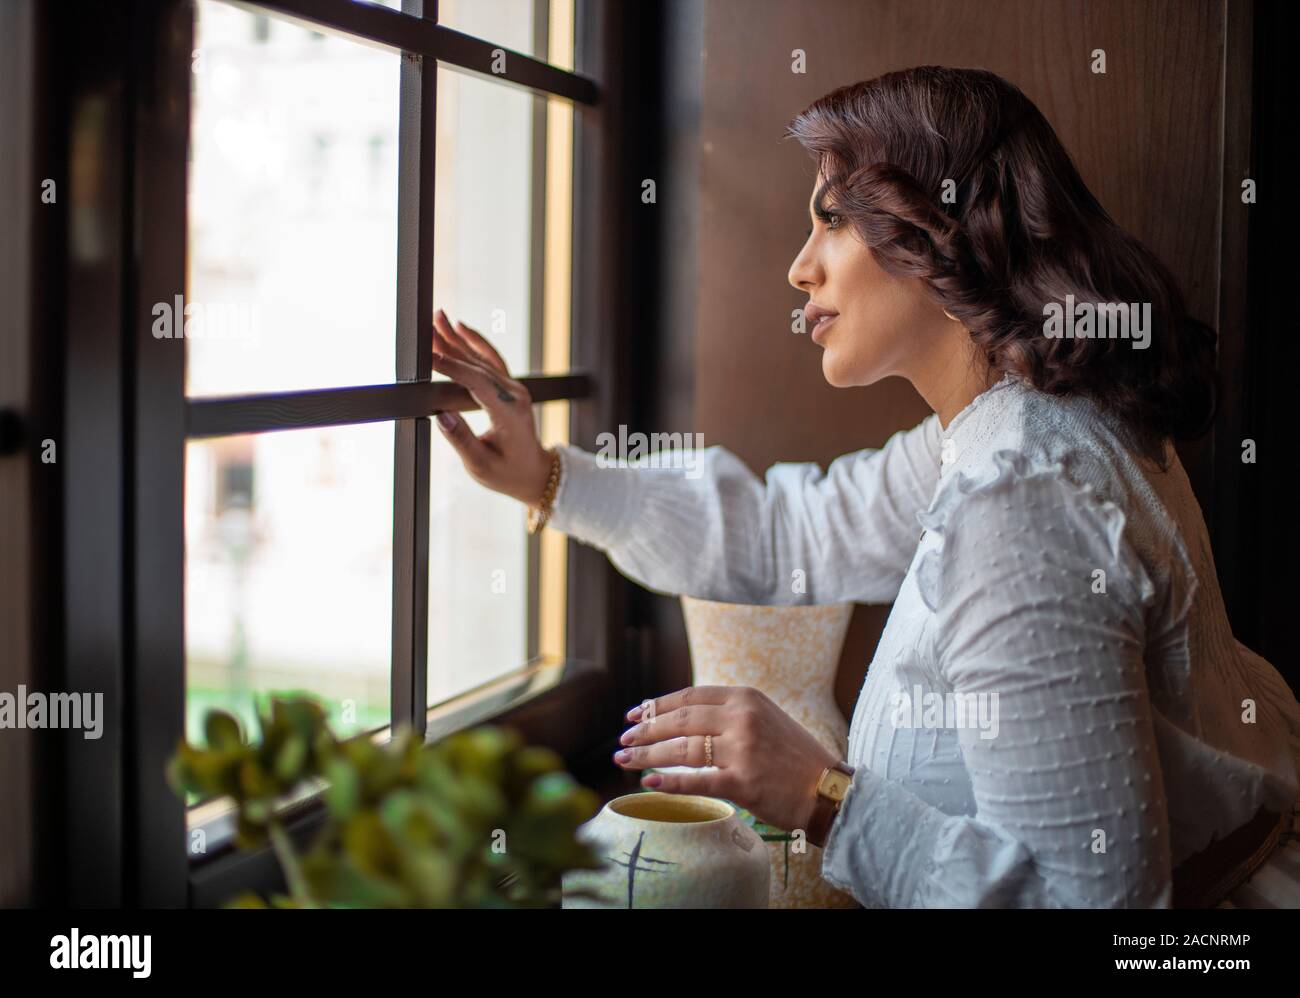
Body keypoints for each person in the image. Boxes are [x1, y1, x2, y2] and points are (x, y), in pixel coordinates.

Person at [427, 67, 1300, 908]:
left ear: (936, 232)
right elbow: (789, 536)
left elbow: (1092, 900)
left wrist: (817, 791)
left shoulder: (1026, 493)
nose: (800, 270)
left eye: (832, 220)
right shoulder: (1009, 427)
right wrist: (546, 477)